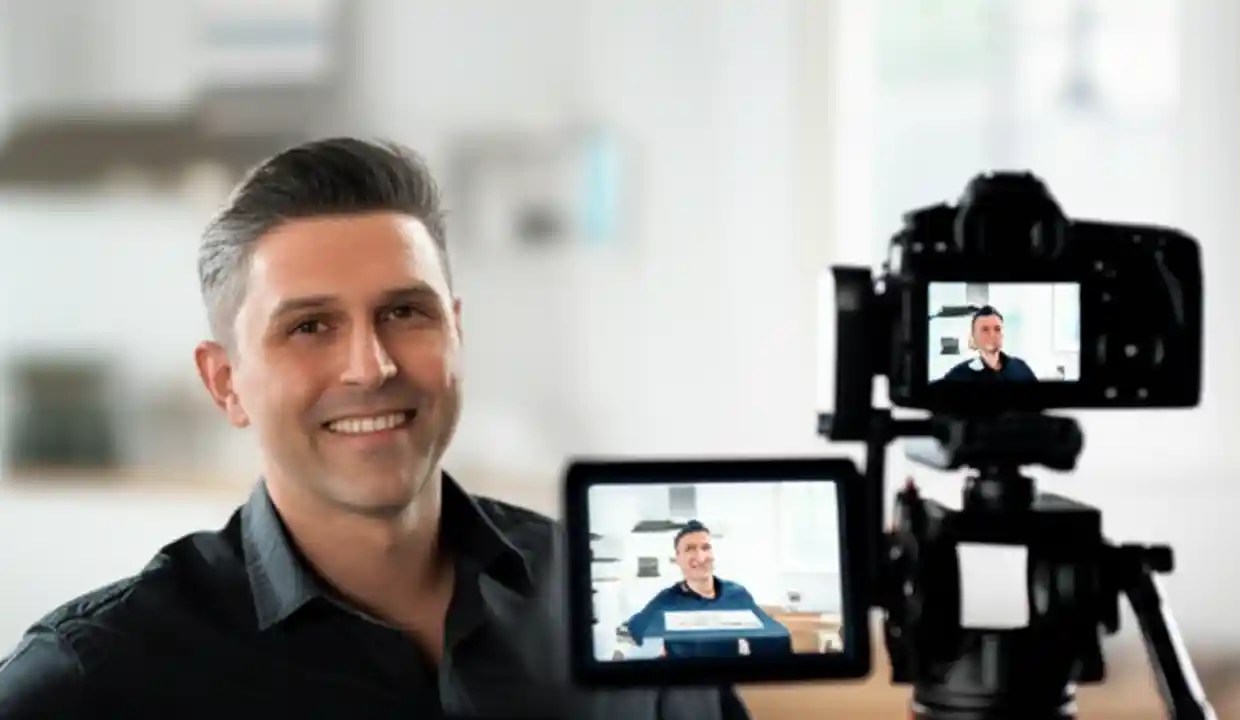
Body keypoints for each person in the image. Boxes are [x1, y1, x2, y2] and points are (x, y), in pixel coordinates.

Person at [0, 138, 749, 719]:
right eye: (310, 326)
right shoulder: (95, 680)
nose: (371, 365)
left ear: (455, 331)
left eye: (403, 312)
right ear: (226, 382)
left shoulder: (619, 600)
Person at [624, 521, 782, 658]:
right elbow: (629, 632)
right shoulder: (667, 599)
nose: (700, 557)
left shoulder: (736, 594)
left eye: (706, 547)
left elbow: (774, 642)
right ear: (677, 558)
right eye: (690, 549)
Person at [941, 305, 1039, 382]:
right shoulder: (959, 374)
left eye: (997, 329)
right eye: (985, 329)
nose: (992, 335)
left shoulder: (1020, 367)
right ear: (974, 337)